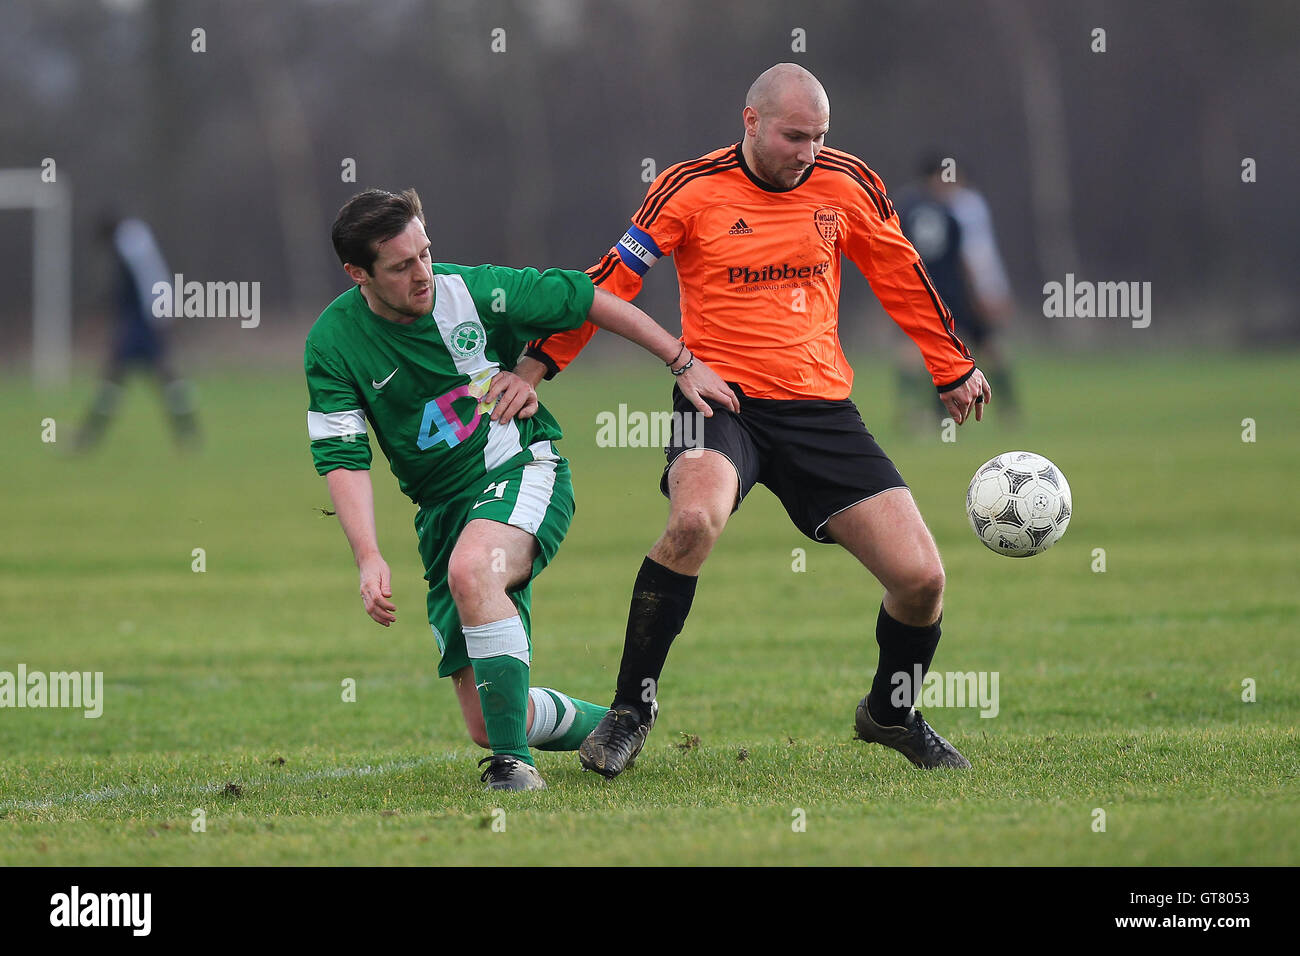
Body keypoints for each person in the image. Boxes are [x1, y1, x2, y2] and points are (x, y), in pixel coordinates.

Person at [516, 64, 991, 776]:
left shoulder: (848, 182)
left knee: (922, 579)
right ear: (750, 121)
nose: (808, 151)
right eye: (794, 135)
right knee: (693, 522)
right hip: (721, 401)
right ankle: (629, 711)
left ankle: (892, 713)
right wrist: (537, 365)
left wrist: (950, 365)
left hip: (821, 409)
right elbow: (612, 280)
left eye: (820, 136)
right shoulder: (687, 188)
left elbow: (901, 272)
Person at [304, 188, 737, 791]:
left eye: (426, 253)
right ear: (358, 274)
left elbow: (587, 298)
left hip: (523, 468)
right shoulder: (332, 342)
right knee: (489, 717)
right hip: (441, 511)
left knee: (474, 569)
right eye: (401, 266)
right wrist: (368, 554)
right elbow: (342, 454)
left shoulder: (477, 291)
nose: (423, 273)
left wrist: (681, 361)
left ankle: (512, 770)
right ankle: (610, 726)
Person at [894, 152, 1017, 427]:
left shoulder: (903, 208)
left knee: (914, 349)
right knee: (979, 346)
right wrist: (985, 291)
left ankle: (914, 414)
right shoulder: (952, 209)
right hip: (954, 293)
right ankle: (1006, 409)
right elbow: (968, 256)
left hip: (915, 289)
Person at [75, 214, 199, 451]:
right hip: (145, 321)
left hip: (142, 324)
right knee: (162, 379)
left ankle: (89, 436)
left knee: (120, 379)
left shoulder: (129, 247)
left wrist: (162, 315)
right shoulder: (137, 241)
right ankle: (188, 433)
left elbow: (144, 284)